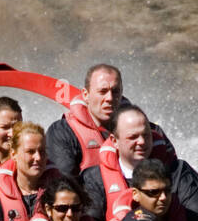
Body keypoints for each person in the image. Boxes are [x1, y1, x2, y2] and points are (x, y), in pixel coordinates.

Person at [82, 104, 198, 221]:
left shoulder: (178, 172)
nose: (141, 142)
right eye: (133, 137)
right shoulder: (94, 179)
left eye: (146, 135)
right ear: (114, 141)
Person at [44, 64, 176, 178]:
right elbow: (62, 187)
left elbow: (175, 177)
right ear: (86, 94)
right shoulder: (62, 132)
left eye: (115, 91)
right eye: (103, 91)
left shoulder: (149, 131)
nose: (109, 98)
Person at [0, 121, 49, 221]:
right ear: (14, 154)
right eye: (30, 152)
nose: (38, 157)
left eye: (42, 151)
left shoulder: (61, 195)